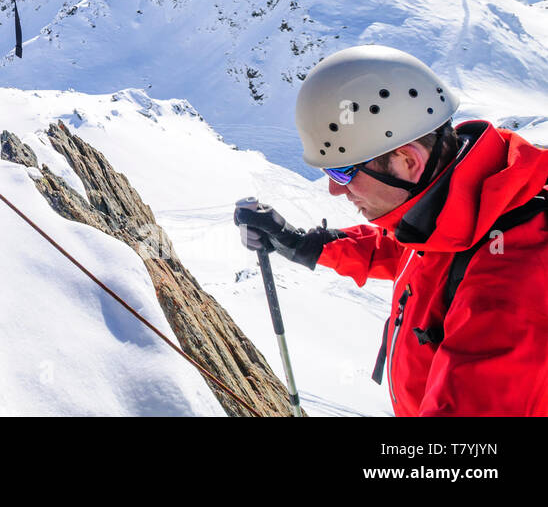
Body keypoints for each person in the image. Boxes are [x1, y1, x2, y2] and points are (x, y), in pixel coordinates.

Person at [235, 45, 548, 416]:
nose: (334, 188)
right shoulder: (464, 202)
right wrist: (303, 243)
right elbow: (411, 246)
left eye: (342, 172)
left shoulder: (511, 286)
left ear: (407, 162)